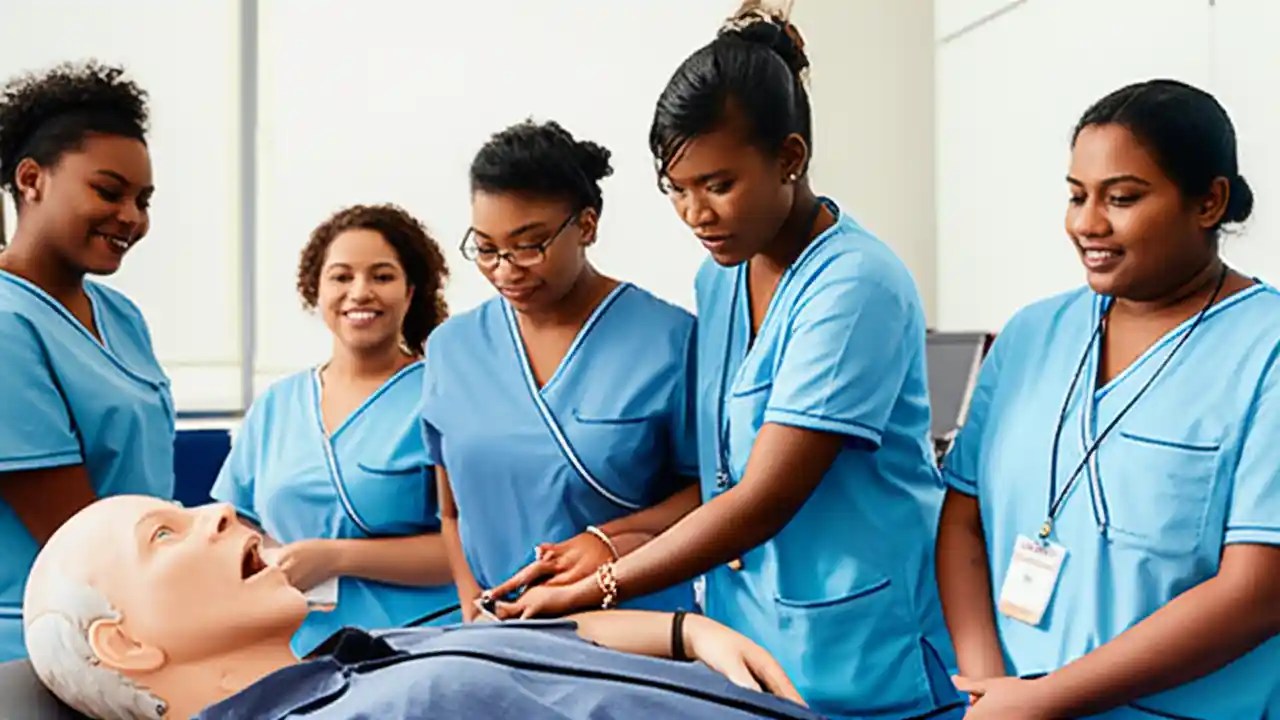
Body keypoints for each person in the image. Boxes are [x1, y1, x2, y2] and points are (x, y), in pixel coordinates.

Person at [495, 5, 962, 719]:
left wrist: (602, 586)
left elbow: (761, 500)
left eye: (718, 184)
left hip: (866, 651)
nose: (696, 214)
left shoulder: (854, 284)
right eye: (676, 189)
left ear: (790, 158)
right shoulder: (721, 278)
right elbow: (721, 478)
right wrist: (604, 541)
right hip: (751, 644)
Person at [936, 79, 1280, 719]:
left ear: (1209, 201)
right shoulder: (1032, 335)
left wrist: (1048, 701)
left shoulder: (1267, 349)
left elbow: (1259, 589)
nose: (1087, 223)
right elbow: (962, 516)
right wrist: (990, 687)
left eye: (1121, 198)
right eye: (1075, 196)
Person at [21, 495, 818, 720]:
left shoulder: (357, 658)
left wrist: (688, 632)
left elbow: (553, 636)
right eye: (167, 534)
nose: (221, 509)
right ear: (123, 645)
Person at [421, 119, 700, 621]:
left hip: (635, 628)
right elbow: (452, 511)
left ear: (586, 225)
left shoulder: (671, 342)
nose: (505, 270)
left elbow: (713, 496)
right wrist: (471, 605)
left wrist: (610, 543)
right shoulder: (451, 349)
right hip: (498, 637)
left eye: (529, 245)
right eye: (486, 248)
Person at [211, 204, 458, 655]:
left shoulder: (442, 399)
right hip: (297, 647)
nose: (360, 292)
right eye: (341, 277)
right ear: (316, 289)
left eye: (382, 277)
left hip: (421, 643)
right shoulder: (277, 405)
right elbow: (235, 524)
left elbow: (467, 551)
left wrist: (335, 557)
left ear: (411, 291)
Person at [0, 61, 174, 661]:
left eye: (143, 200)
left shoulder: (121, 316)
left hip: (130, 624)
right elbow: (78, 542)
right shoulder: (5, 323)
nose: (131, 216)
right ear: (32, 179)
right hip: (36, 645)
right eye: (108, 191)